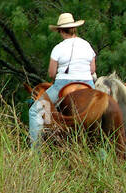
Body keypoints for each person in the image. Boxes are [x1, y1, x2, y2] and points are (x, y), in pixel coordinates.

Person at [29, 12, 96, 147]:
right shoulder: (87, 45)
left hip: (63, 84)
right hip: (87, 83)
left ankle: (35, 152)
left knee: (34, 111)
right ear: (74, 28)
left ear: (60, 31)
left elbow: (52, 73)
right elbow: (93, 70)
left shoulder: (58, 48)